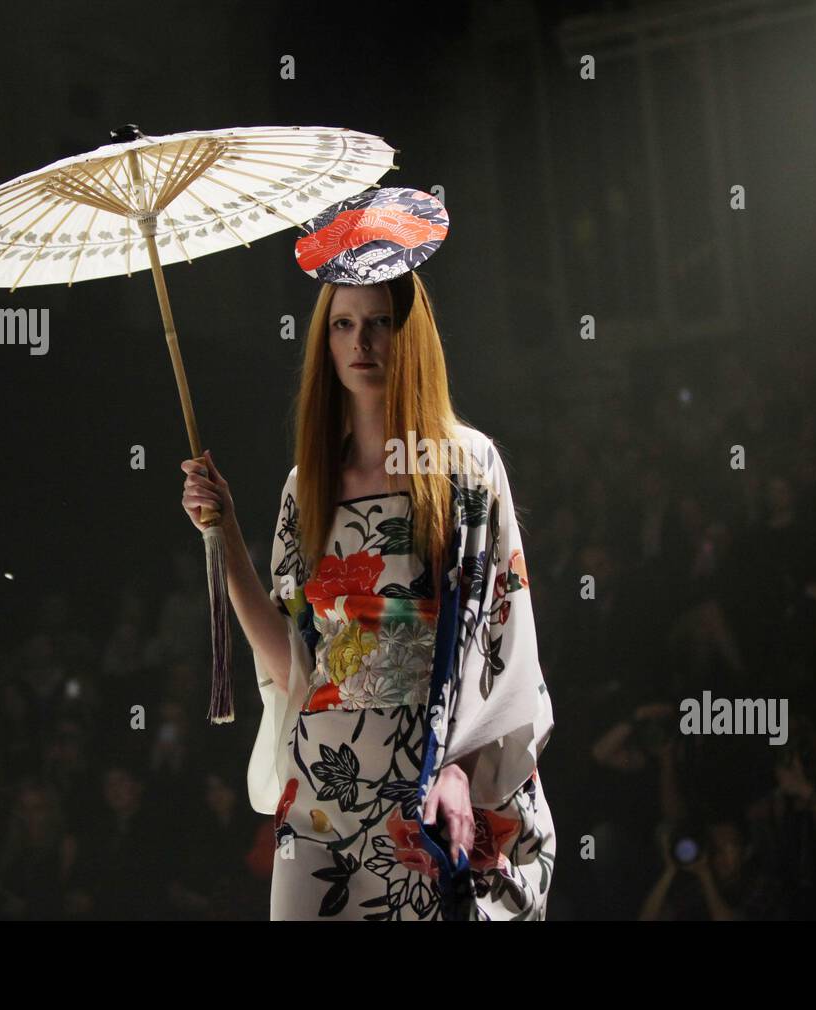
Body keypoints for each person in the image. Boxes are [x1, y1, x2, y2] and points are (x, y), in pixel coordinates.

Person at [179, 188, 555, 920]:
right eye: (344, 324)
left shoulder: (466, 466)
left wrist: (464, 773)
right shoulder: (307, 483)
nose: (361, 344)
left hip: (426, 783)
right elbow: (293, 663)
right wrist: (221, 538)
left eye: (380, 324)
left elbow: (505, 641)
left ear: (409, 334)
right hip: (323, 783)